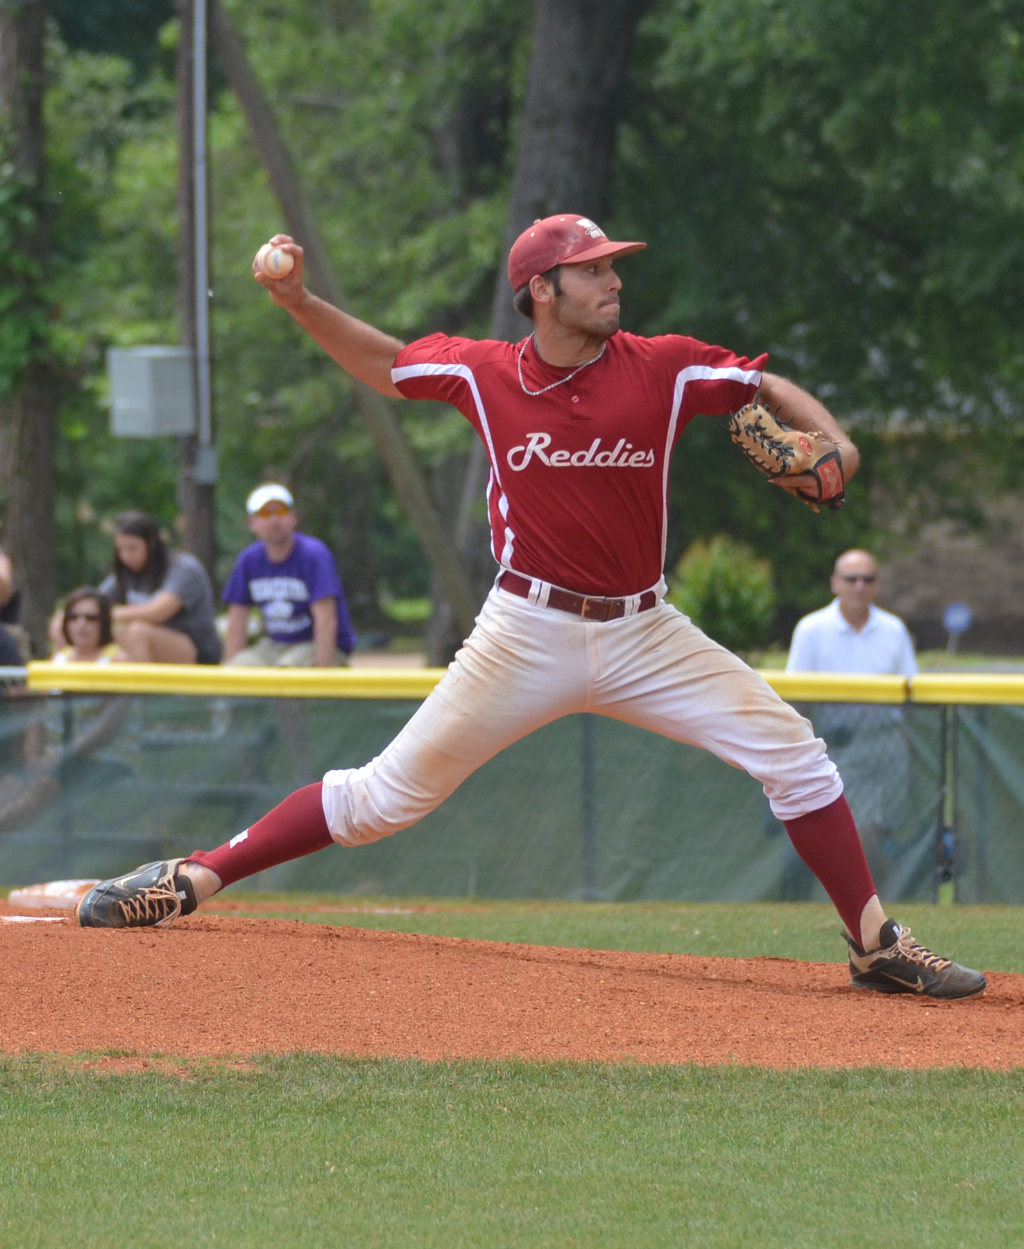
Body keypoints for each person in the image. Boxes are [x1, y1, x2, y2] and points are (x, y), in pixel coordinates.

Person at [76, 214, 984, 1000]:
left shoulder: (662, 367)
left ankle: (874, 946)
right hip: (525, 631)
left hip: (646, 630)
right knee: (382, 799)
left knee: (794, 753)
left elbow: (759, 383)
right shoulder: (486, 374)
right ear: (541, 290)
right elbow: (386, 363)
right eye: (593, 269)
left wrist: (834, 442)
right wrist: (300, 302)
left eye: (613, 266)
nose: (614, 280)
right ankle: (193, 876)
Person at [786, 549, 918, 882]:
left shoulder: (894, 629)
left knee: (885, 828)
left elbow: (912, 698)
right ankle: (881, 893)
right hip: (839, 746)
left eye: (867, 579)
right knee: (861, 828)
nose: (859, 586)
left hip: (888, 744)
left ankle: (885, 893)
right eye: (851, 578)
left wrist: (908, 748)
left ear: (877, 585)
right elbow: (795, 699)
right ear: (835, 583)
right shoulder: (811, 629)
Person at [222, 483, 356, 667]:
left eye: (281, 511)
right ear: (252, 522)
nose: (274, 520)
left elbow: (326, 618)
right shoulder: (249, 559)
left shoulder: (313, 555)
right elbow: (237, 619)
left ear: (294, 517)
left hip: (317, 645)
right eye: (265, 514)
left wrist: (322, 676)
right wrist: (231, 676)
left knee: (286, 671)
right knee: (240, 668)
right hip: (273, 645)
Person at [99, 511, 222, 664]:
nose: (125, 556)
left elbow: (157, 612)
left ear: (151, 543)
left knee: (137, 632)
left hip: (198, 649)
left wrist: (104, 614)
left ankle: (142, 680)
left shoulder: (184, 567)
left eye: (132, 548)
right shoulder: (125, 574)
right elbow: (95, 602)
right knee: (88, 629)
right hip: (148, 642)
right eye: (120, 550)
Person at [50, 587, 126, 664]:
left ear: (104, 623)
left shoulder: (118, 660)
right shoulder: (59, 659)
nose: (81, 624)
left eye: (91, 618)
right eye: (73, 617)